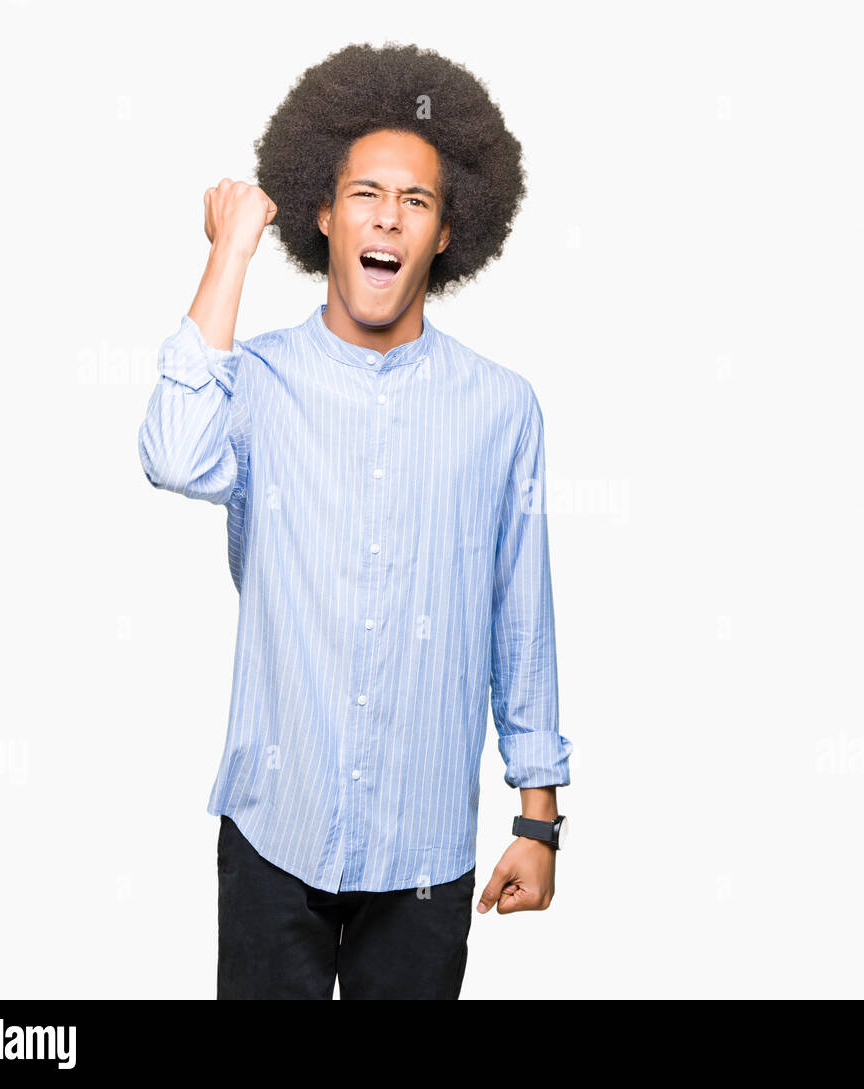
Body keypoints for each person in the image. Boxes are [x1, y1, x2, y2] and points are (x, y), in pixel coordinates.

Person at [137, 42, 572, 1000]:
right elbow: (172, 450)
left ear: (447, 232)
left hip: (423, 851)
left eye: (414, 201)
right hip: (271, 835)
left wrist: (538, 819)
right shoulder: (254, 383)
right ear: (324, 214)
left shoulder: (501, 408)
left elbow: (521, 615)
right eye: (364, 194)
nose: (387, 216)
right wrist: (230, 250)